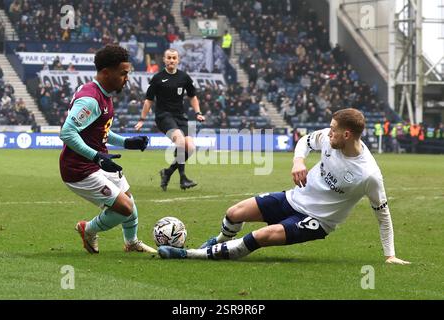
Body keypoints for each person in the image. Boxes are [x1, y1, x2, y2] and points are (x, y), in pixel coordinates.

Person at [158, 108, 410, 265]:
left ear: (347, 135)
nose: (328, 132)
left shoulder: (369, 175)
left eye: (333, 130)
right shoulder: (328, 138)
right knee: (234, 213)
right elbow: (304, 141)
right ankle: (217, 241)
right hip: (293, 198)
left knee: (259, 237)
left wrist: (390, 255)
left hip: (316, 220)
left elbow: (383, 215)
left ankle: (189, 255)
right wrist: (298, 160)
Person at [59, 45, 156, 254]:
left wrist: (127, 142)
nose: (127, 78)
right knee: (124, 208)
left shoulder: (102, 94)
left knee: (129, 201)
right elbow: (67, 132)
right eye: (123, 73)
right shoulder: (91, 99)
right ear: (106, 73)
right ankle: (88, 229)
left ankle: (131, 243)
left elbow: (100, 131)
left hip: (96, 161)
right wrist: (97, 157)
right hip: (79, 169)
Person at [134, 48, 205, 191]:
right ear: (164, 60)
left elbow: (192, 96)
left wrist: (198, 112)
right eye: (169, 58)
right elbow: (148, 101)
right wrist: (142, 119)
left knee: (190, 147)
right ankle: (183, 178)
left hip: (180, 117)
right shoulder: (158, 78)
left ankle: (167, 172)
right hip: (163, 116)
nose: (171, 60)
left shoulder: (184, 77)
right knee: (179, 140)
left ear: (178, 60)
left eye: (174, 58)